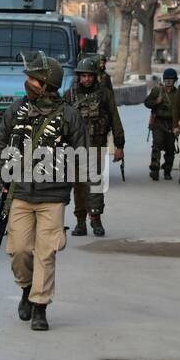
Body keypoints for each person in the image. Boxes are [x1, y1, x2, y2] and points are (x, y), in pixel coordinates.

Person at [0, 51, 87, 331]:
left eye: (33, 78)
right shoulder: (15, 111)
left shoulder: (69, 117)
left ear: (45, 84)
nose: (28, 82)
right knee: (20, 251)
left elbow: (81, 156)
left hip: (53, 197)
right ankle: (26, 288)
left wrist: (78, 195)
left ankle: (40, 307)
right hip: (19, 194)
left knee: (46, 253)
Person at [66, 56, 125, 236]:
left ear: (95, 76)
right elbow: (62, 121)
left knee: (95, 184)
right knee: (79, 187)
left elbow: (115, 118)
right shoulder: (69, 95)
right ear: (79, 76)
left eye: (90, 76)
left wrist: (119, 145)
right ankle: (80, 222)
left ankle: (96, 220)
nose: (87, 79)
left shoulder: (104, 94)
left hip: (97, 146)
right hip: (75, 149)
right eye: (83, 76)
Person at [144, 67, 180, 180]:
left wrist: (178, 125)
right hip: (158, 122)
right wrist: (156, 102)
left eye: (171, 79)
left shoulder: (178, 93)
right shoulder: (157, 91)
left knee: (170, 148)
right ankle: (154, 169)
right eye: (167, 79)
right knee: (157, 145)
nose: (169, 81)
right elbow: (147, 103)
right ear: (164, 80)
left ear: (175, 81)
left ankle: (167, 171)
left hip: (171, 123)